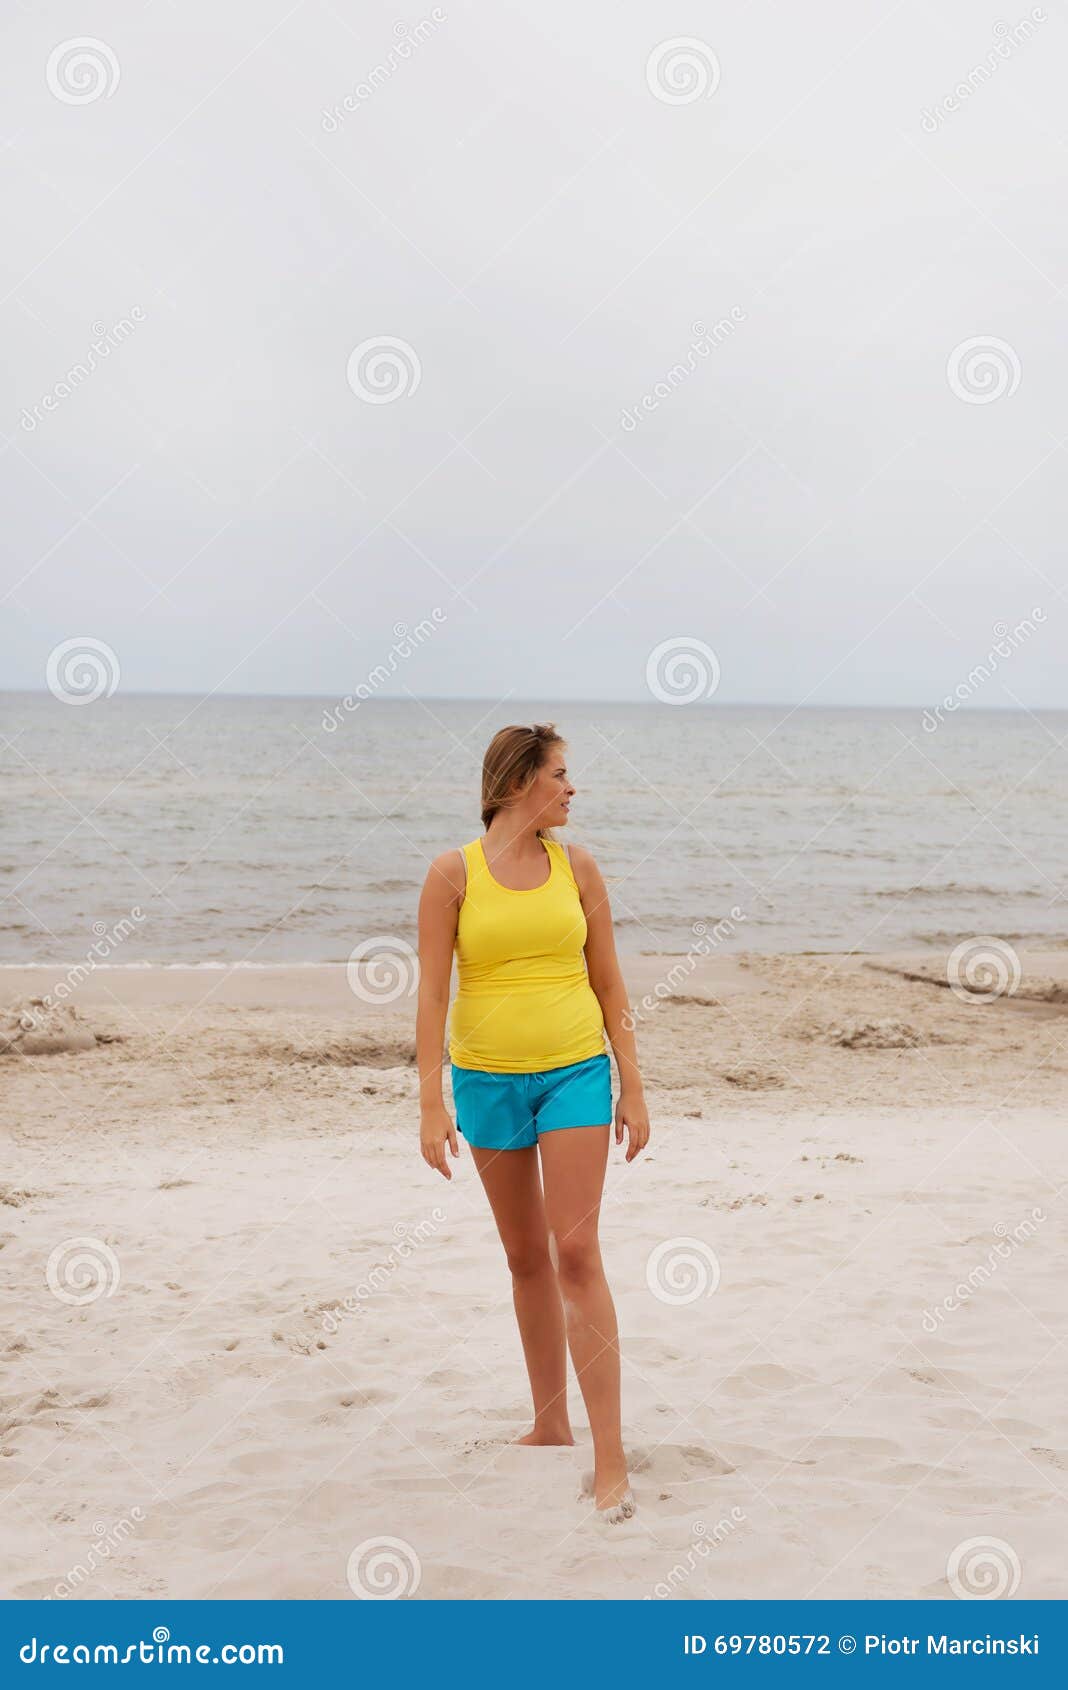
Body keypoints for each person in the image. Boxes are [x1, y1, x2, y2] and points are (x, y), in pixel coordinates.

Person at [416, 721, 651, 1522]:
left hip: (575, 1073)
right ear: (518, 782)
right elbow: (432, 994)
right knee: (524, 1259)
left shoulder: (578, 867)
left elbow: (610, 982)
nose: (571, 788)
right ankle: (551, 1423)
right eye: (558, 774)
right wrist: (430, 1101)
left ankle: (610, 1458)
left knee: (575, 1251)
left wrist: (632, 1085)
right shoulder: (452, 875)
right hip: (485, 1082)